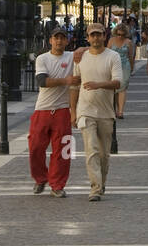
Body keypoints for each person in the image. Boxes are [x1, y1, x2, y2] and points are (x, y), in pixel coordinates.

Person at [71, 22, 122, 201]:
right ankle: (95, 187)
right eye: (92, 35)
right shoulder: (80, 57)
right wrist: (73, 111)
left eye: (99, 34)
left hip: (106, 112)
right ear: (88, 37)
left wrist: (98, 84)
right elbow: (74, 85)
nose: (95, 38)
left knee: (103, 155)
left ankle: (101, 182)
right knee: (91, 149)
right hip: (85, 110)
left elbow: (118, 83)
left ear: (104, 36)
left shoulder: (113, 56)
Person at [29, 27, 78, 197]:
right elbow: (42, 81)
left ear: (67, 41)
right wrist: (66, 80)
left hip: (63, 110)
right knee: (35, 147)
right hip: (42, 109)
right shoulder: (42, 59)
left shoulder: (72, 57)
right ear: (50, 40)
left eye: (62, 38)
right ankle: (40, 178)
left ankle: (57, 184)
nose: (59, 41)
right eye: (56, 38)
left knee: (64, 149)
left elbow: (88, 51)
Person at [108, 22, 134, 118]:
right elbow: (107, 54)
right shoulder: (111, 41)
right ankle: (114, 110)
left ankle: (120, 111)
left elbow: (131, 56)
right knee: (114, 88)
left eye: (122, 35)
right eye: (118, 34)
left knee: (122, 88)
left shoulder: (128, 42)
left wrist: (131, 68)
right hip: (113, 66)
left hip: (125, 66)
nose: (120, 36)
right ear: (115, 33)